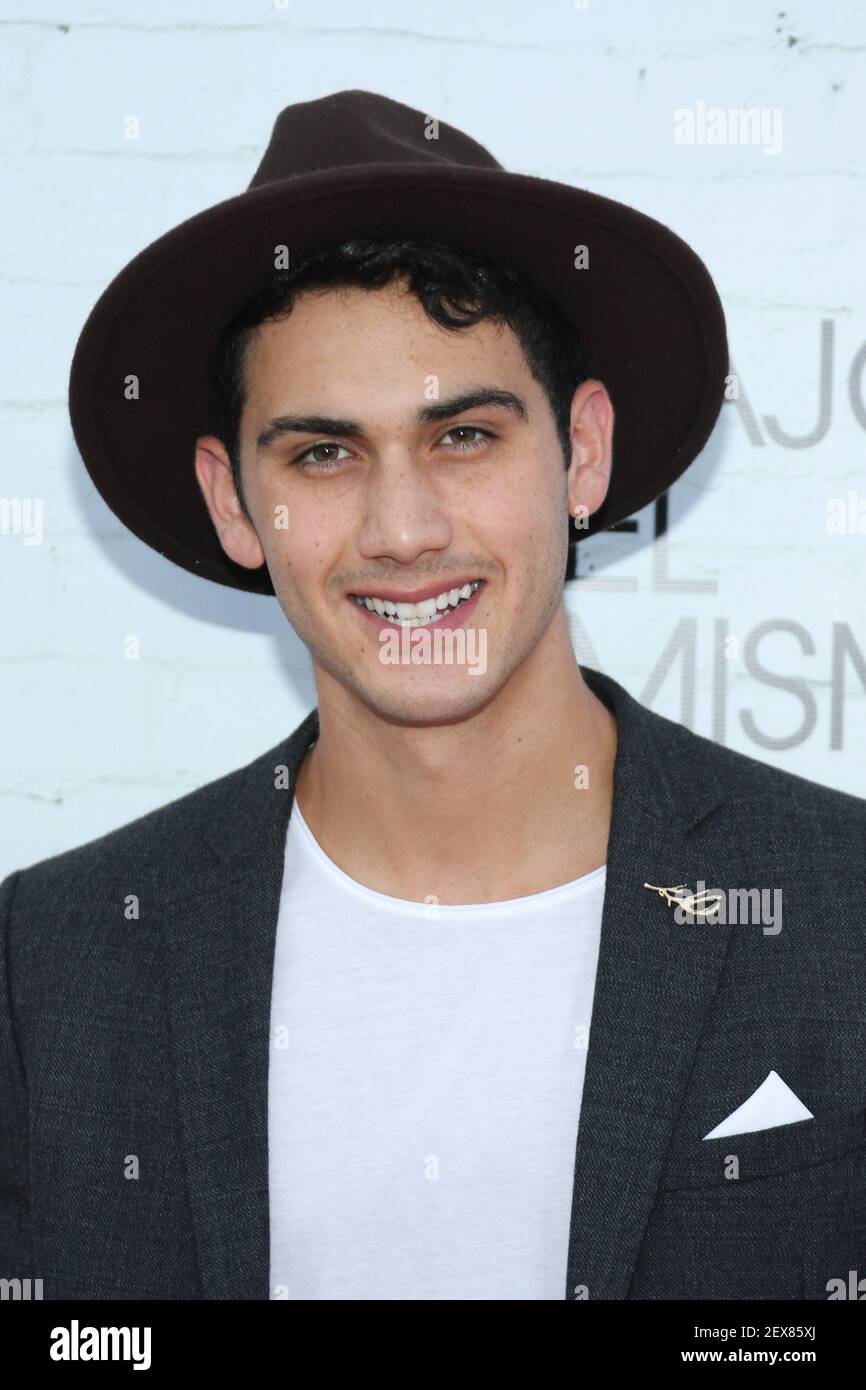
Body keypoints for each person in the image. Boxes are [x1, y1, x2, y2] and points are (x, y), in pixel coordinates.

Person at [1, 90, 863, 1302]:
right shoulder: (56, 962)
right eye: (322, 453)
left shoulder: (838, 904)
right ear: (234, 503)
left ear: (583, 452)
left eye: (462, 437)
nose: (402, 530)